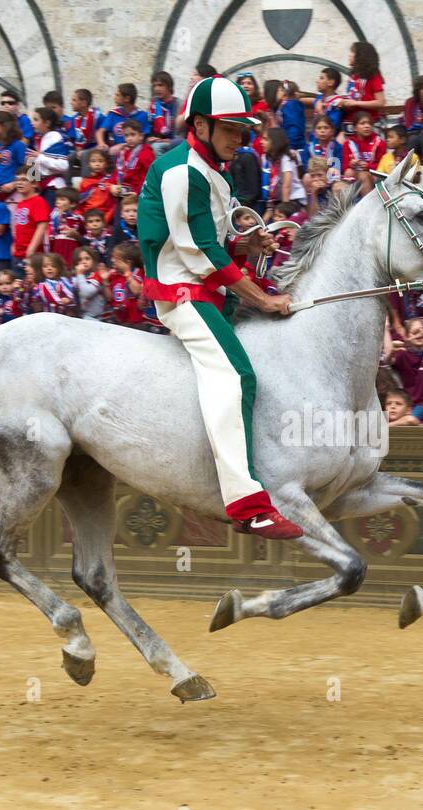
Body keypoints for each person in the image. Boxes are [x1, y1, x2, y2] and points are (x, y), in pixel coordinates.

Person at [136, 76, 299, 538]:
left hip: (208, 288)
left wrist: (247, 244)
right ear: (202, 125)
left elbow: (221, 245)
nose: (240, 138)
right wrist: (263, 299)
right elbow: (204, 256)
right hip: (181, 293)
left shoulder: (215, 172)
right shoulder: (182, 171)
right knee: (235, 375)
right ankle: (247, 504)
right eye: (230, 129)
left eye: (244, 130)